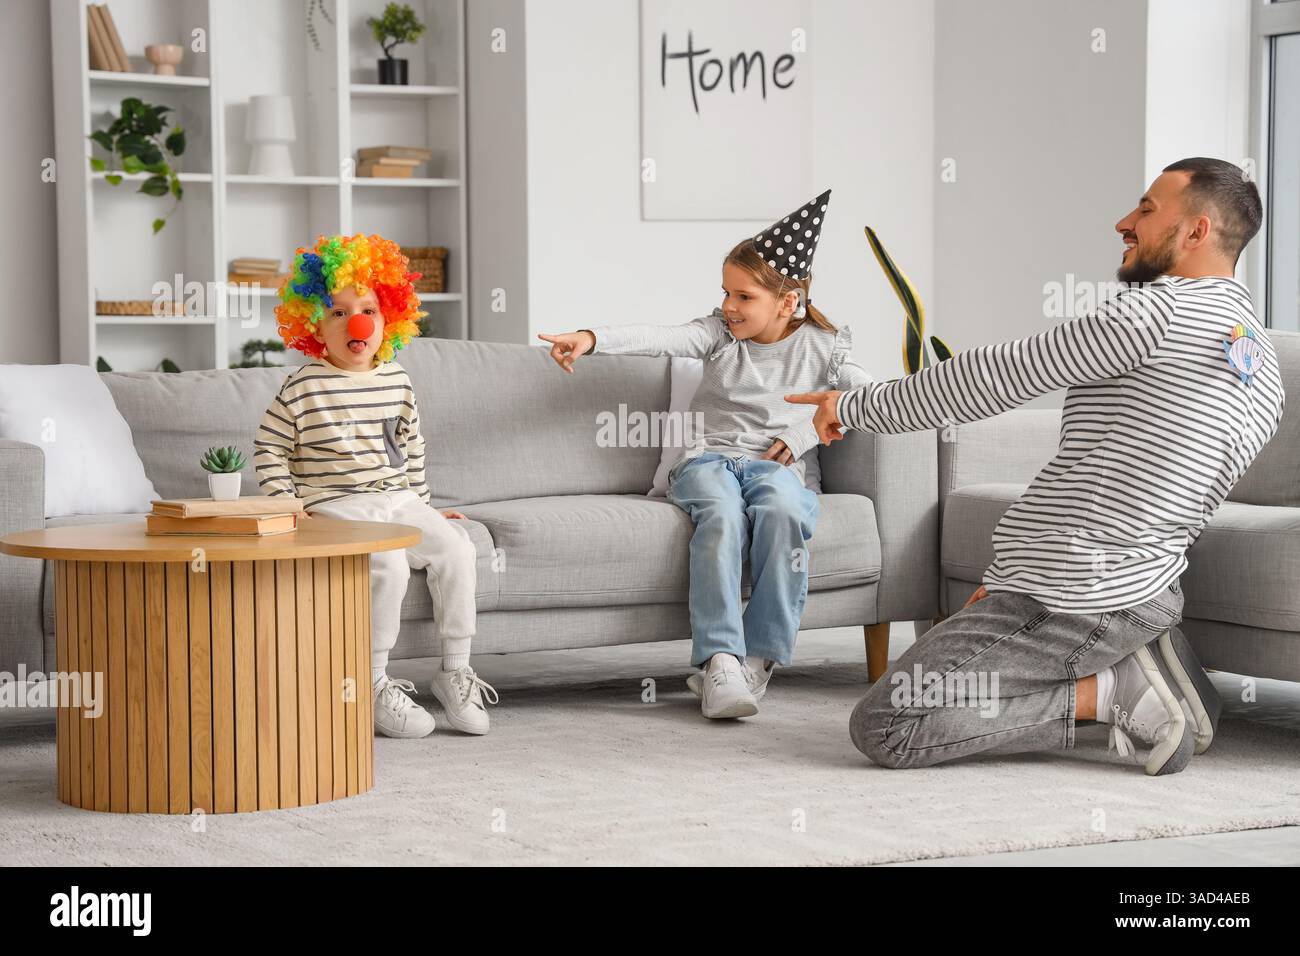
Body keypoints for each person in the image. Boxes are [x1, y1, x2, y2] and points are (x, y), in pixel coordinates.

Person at [788, 159, 1284, 775]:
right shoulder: (1261, 366)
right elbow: (1141, 491)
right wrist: (1008, 577)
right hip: (1143, 593)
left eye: (1147, 209)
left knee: (889, 724)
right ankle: (1135, 658)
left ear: (1196, 231)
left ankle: (1105, 694)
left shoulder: (1155, 315)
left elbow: (991, 379)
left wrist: (855, 405)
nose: (1123, 223)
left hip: (1074, 600)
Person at [539, 190, 873, 720]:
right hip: (708, 461)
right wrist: (591, 337)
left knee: (783, 510)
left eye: (744, 297)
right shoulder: (719, 335)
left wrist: (806, 437)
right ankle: (719, 659)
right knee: (719, 516)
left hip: (776, 469)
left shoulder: (824, 348)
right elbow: (660, 336)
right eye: (726, 293)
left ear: (787, 302)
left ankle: (758, 659)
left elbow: (867, 399)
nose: (729, 307)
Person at [255, 233, 496, 739]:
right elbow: (270, 449)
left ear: (389, 319)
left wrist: (427, 508)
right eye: (337, 312)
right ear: (314, 325)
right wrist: (288, 505)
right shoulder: (303, 385)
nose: (354, 322)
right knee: (385, 563)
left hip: (397, 498)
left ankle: (455, 670)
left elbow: (411, 446)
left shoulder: (398, 379)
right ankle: (371, 682)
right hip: (335, 506)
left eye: (366, 309)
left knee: (456, 549)